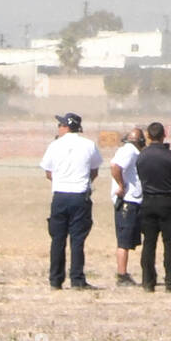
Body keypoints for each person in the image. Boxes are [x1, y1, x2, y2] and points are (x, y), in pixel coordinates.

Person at [40, 112, 102, 290]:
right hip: (80, 195)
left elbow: (48, 172)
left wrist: (61, 180)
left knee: (57, 239)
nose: (58, 128)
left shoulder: (54, 145)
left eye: (60, 125)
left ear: (66, 127)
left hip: (60, 195)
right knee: (77, 240)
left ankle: (55, 280)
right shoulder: (89, 145)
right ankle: (77, 279)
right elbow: (94, 170)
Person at [137, 122, 171, 292]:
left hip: (148, 201)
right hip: (166, 201)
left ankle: (148, 282)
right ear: (164, 134)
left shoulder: (141, 156)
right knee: (170, 244)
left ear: (148, 136)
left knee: (149, 244)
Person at [110, 127, 145, 287]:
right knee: (124, 240)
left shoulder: (132, 152)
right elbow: (115, 167)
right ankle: (122, 275)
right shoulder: (129, 151)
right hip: (127, 201)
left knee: (129, 239)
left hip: (134, 200)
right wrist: (121, 185)